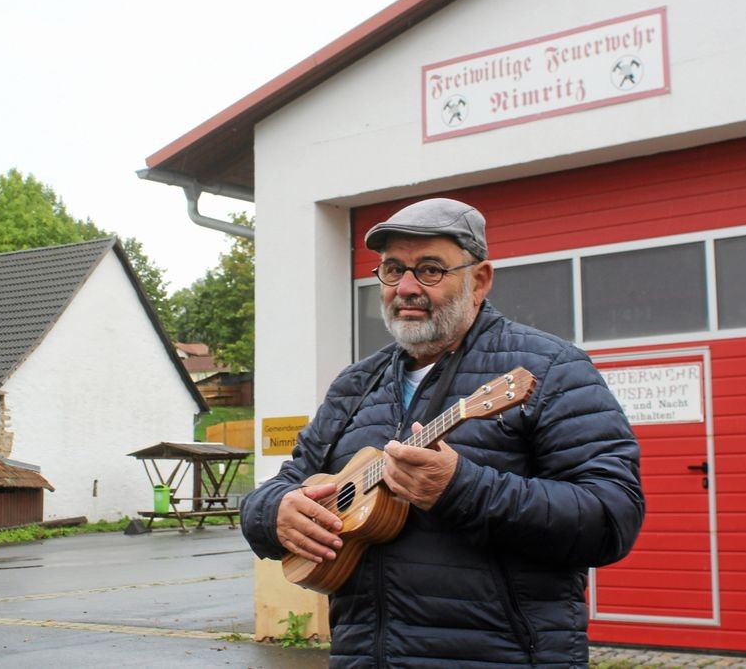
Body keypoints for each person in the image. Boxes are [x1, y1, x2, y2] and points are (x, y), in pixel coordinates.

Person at [241, 197, 645, 667]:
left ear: (480, 280)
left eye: (429, 270)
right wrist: (273, 515)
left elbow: (612, 517)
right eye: (392, 270)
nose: (406, 287)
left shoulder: (549, 369)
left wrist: (463, 488)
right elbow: (284, 484)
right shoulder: (354, 386)